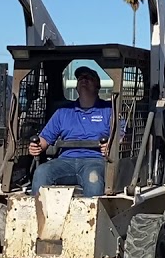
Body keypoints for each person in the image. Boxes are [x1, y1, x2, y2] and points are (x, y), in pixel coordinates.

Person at [29, 66, 112, 197]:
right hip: (65, 161)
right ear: (76, 87)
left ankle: (91, 216)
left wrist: (110, 147)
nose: (83, 80)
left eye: (88, 78)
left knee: (93, 179)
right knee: (41, 171)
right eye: (80, 78)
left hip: (95, 161)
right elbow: (45, 138)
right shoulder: (63, 112)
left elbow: (122, 138)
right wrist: (37, 146)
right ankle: (38, 214)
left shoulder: (109, 111)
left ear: (98, 86)